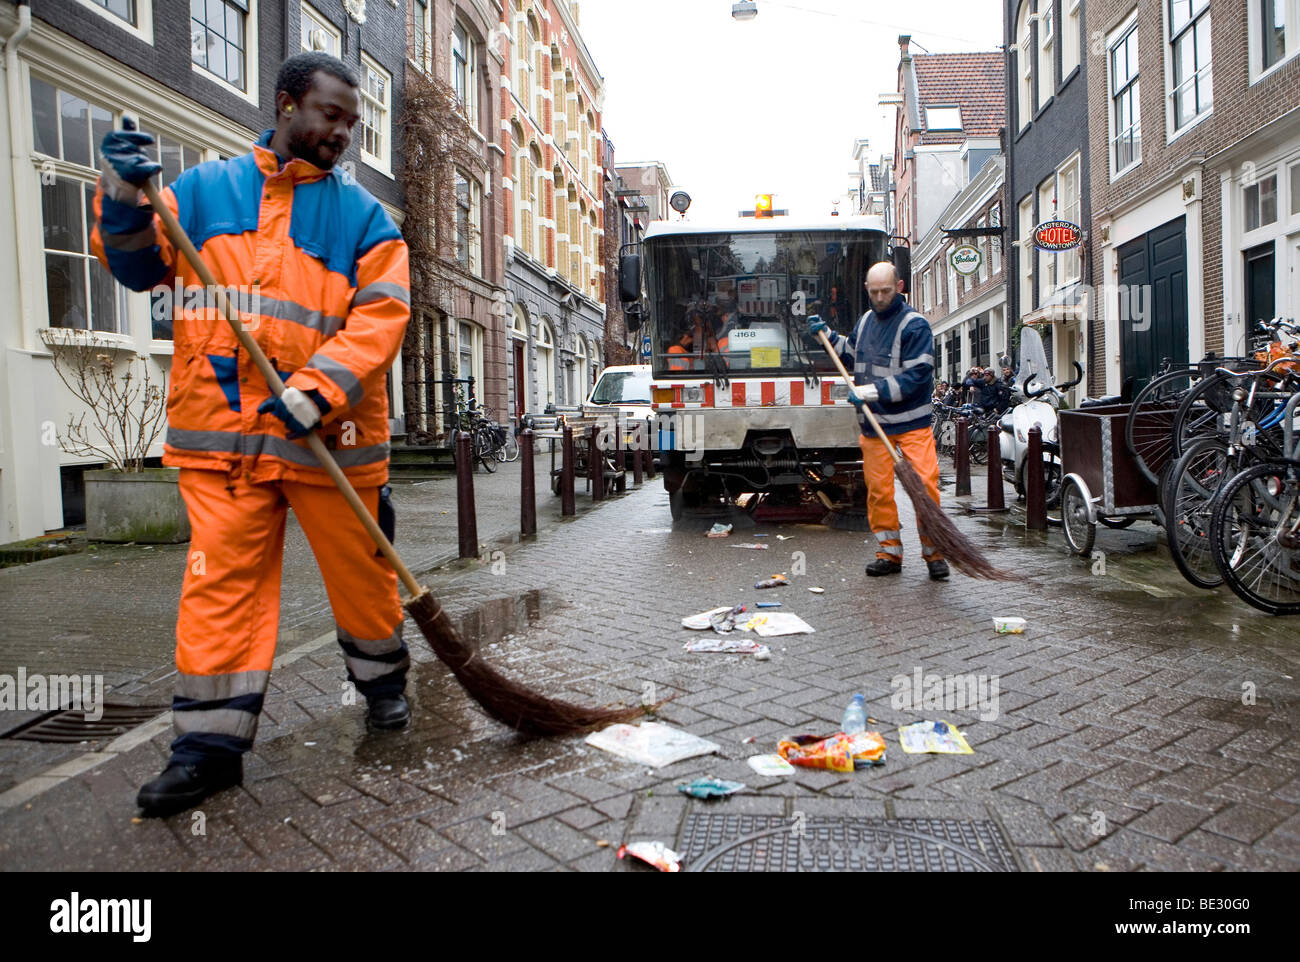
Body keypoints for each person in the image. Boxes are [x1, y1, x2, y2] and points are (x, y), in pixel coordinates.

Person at [92, 52, 412, 817]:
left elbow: (382, 317)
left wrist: (319, 389)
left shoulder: (367, 219)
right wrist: (122, 197)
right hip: (224, 444)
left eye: (352, 124)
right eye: (331, 116)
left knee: (364, 584)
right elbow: (138, 271)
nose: (343, 135)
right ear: (287, 104)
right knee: (219, 593)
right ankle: (206, 752)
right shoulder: (200, 194)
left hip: (329, 441)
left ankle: (385, 687)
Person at [808, 262, 947, 580]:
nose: (881, 297)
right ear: (867, 291)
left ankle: (935, 554)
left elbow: (916, 376)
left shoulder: (916, 326)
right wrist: (826, 335)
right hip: (874, 427)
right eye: (874, 292)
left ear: (899, 286)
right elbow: (851, 352)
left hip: (911, 426)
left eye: (886, 290)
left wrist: (869, 391)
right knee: (879, 491)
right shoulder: (867, 321)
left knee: (925, 489)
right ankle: (890, 554)